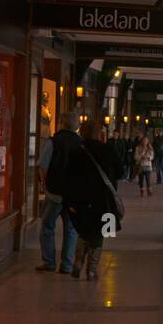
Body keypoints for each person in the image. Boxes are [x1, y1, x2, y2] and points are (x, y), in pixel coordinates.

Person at [64, 124, 123, 280]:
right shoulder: (108, 150)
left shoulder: (76, 152)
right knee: (101, 233)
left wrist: (71, 201)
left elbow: (68, 177)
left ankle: (77, 263)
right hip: (105, 201)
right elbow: (121, 172)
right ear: (99, 134)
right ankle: (91, 270)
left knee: (83, 230)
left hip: (81, 200)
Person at [34, 112, 81, 274]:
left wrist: (45, 184)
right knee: (71, 229)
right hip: (73, 194)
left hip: (54, 193)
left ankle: (49, 262)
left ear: (61, 123)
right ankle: (67, 265)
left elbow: (43, 166)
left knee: (47, 226)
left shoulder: (53, 142)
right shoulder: (80, 143)